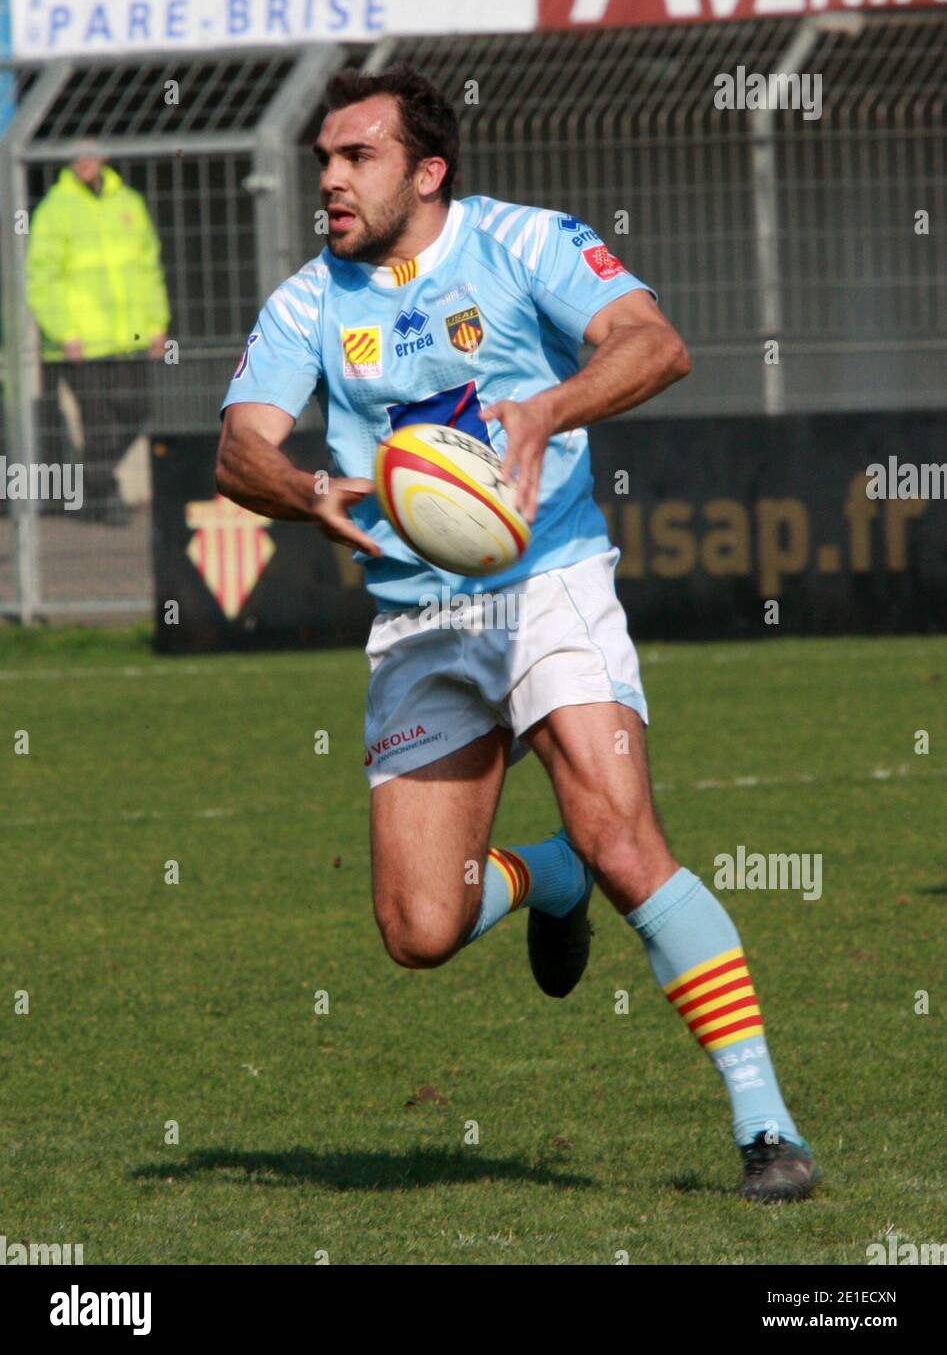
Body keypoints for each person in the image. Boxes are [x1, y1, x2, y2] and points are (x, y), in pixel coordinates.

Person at [215, 63, 820, 1203]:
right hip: (416, 616)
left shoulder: (525, 242)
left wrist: (547, 404)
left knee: (627, 839)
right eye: (323, 162)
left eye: (357, 158)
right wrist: (299, 492)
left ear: (426, 171)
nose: (331, 182)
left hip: (549, 580)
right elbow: (240, 445)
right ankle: (548, 877)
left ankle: (764, 1127)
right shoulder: (307, 299)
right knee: (418, 930)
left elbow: (653, 343)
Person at [26, 140, 169, 524]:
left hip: (129, 338)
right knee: (100, 426)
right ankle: (105, 501)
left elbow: (148, 269)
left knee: (137, 411)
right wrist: (64, 332)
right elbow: (42, 279)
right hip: (83, 343)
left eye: (92, 152)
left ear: (104, 155)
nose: (86, 161)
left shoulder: (129, 203)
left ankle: (92, 485)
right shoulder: (54, 210)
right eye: (77, 153)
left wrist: (157, 325)